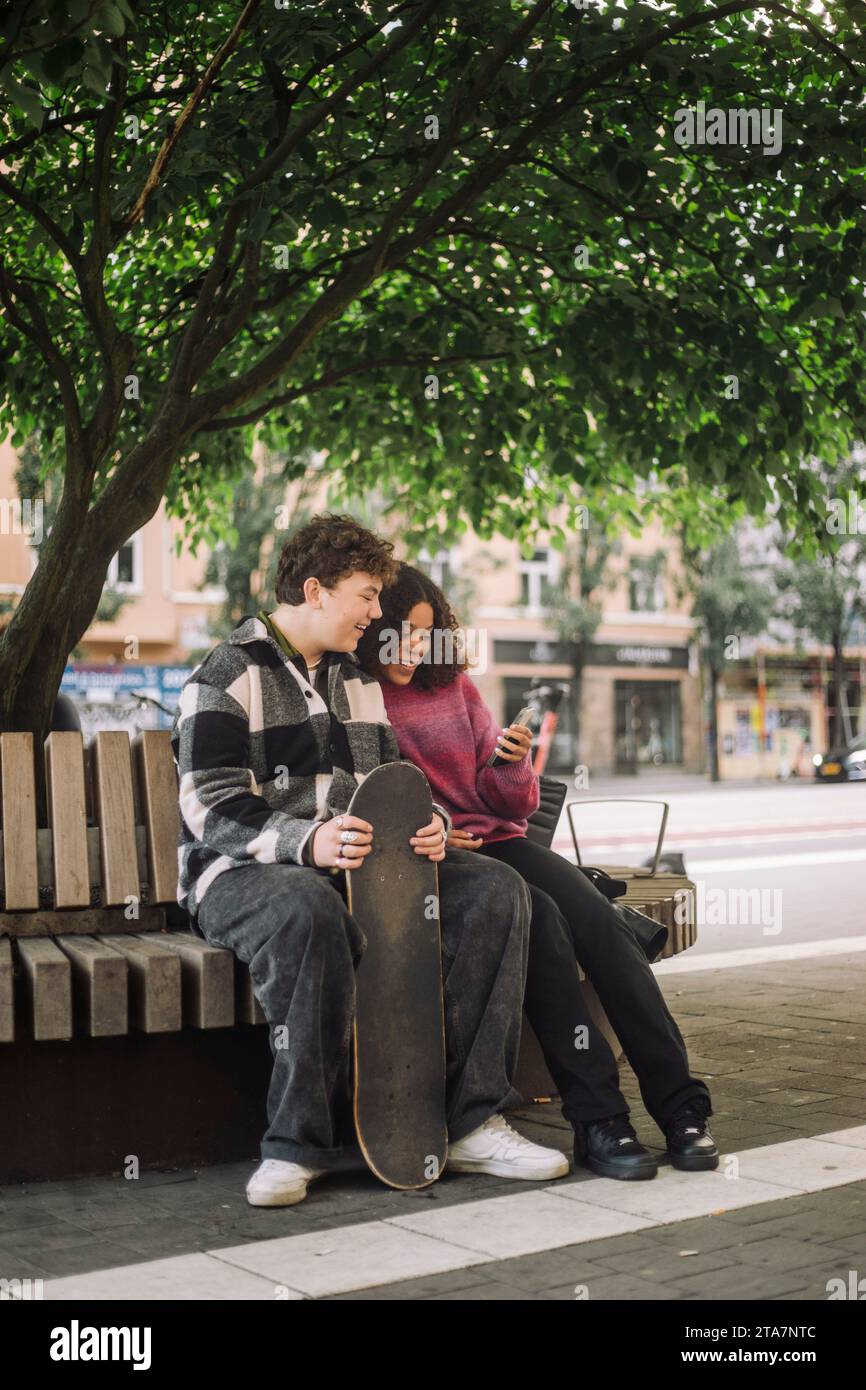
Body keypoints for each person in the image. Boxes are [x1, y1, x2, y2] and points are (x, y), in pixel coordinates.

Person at [171, 515, 568, 1208]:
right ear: (316, 590)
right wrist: (306, 843)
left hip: (357, 865)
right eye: (365, 595)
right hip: (243, 874)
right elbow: (210, 806)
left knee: (496, 891)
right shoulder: (227, 673)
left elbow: (396, 783)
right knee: (307, 906)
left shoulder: (357, 683)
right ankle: (296, 1144)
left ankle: (473, 1120)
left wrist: (432, 827)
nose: (376, 613)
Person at [357, 562, 719, 1181]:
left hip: (502, 842)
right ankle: (599, 1121)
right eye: (401, 633)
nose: (414, 647)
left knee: (604, 930)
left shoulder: (455, 688)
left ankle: (681, 1106)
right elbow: (371, 792)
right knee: (546, 930)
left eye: (424, 633)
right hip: (436, 866)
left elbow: (511, 804)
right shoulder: (355, 693)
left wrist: (513, 765)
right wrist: (440, 823)